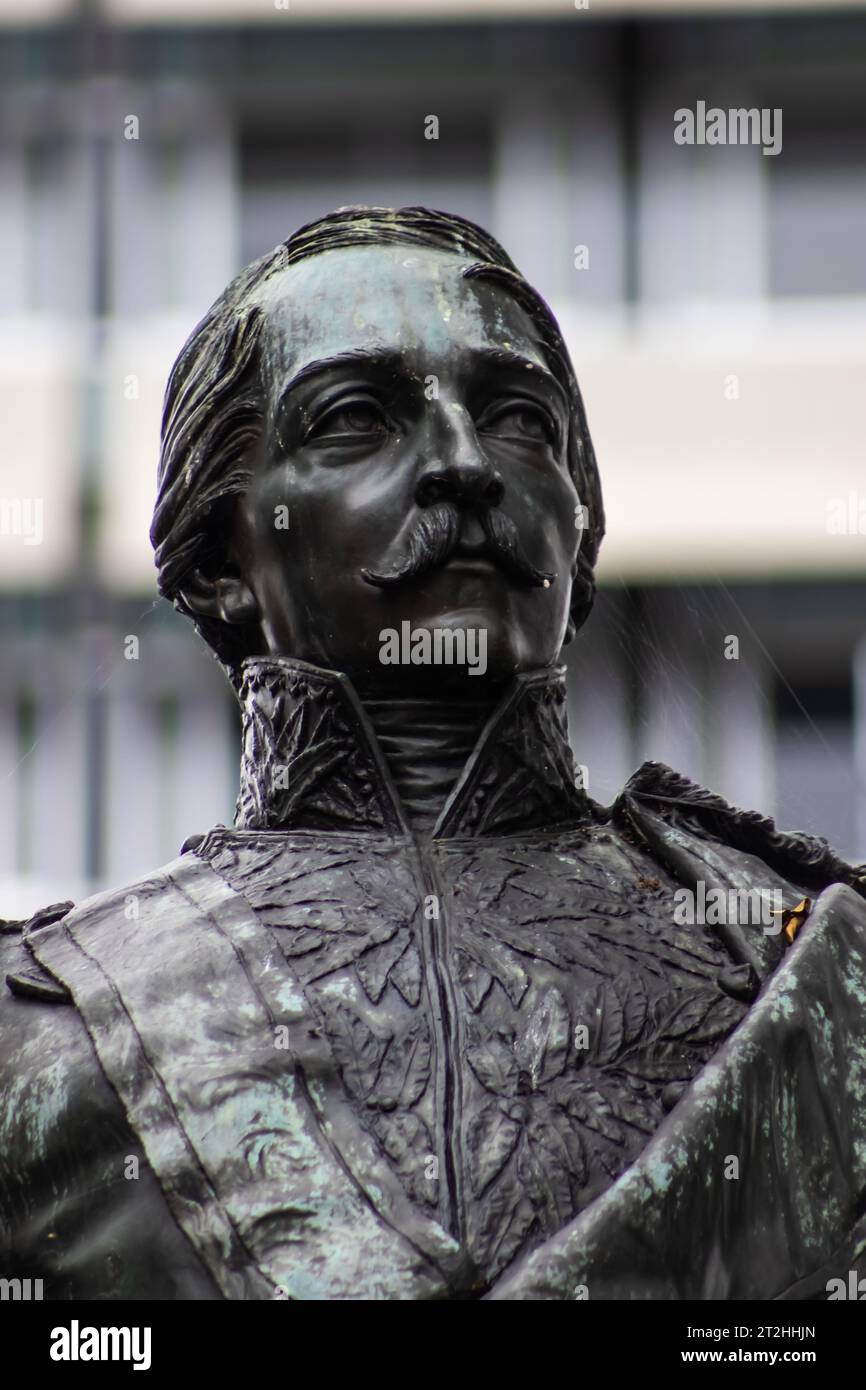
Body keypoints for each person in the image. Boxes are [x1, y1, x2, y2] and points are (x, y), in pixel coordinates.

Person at [2, 207, 865, 1301]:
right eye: (357, 419)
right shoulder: (39, 1034)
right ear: (220, 557)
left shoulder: (804, 961)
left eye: (517, 420)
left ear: (578, 531)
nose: (463, 463)